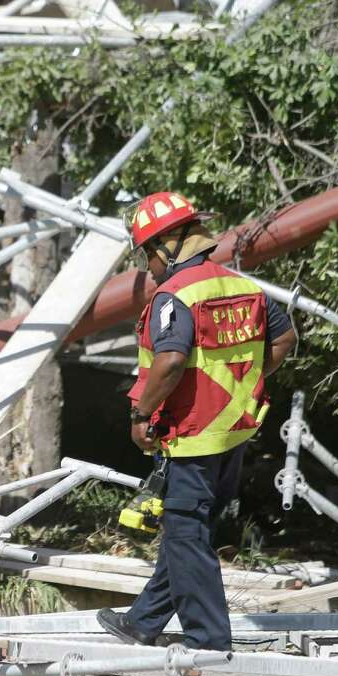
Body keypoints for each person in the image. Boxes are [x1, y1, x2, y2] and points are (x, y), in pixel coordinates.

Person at [97, 192, 296, 651]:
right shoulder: (243, 286)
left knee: (187, 531)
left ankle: (207, 639)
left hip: (193, 436)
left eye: (149, 253)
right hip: (234, 432)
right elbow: (286, 338)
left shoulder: (175, 296)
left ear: (171, 244)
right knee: (188, 528)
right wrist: (245, 385)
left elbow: (169, 361)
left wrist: (141, 414)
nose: (148, 266)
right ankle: (144, 621)